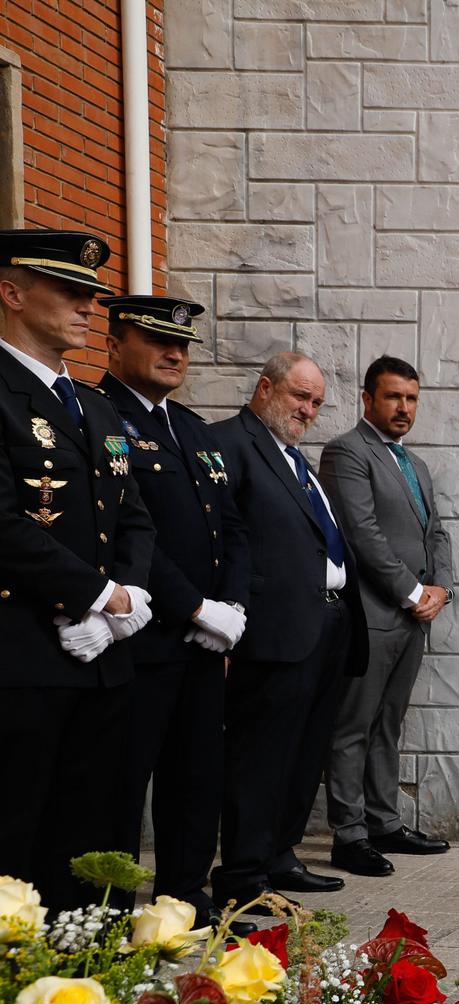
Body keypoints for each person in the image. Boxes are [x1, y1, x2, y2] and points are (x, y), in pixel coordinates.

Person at [0, 230, 155, 913]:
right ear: (11, 292)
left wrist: (127, 603)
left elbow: (135, 514)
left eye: (91, 293)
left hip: (105, 662)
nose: (89, 306)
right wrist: (96, 594)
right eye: (69, 291)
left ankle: (87, 989)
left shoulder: (96, 406)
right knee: (17, 843)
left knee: (93, 842)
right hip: (24, 656)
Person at [99, 294, 247, 923]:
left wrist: (232, 608)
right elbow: (131, 532)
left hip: (204, 645)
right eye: (157, 340)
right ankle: (104, 906)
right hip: (141, 640)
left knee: (195, 778)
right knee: (121, 786)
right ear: (113, 344)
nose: (174, 353)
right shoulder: (96, 414)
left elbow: (233, 527)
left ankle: (183, 894)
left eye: (182, 344)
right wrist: (193, 608)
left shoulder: (190, 428)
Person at [207, 351, 367, 905]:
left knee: (304, 752)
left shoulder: (298, 461)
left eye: (317, 403)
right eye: (301, 396)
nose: (308, 410)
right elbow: (222, 541)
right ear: (265, 387)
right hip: (270, 631)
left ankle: (279, 855)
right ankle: (243, 877)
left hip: (325, 626)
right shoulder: (227, 443)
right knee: (260, 756)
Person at [318, 355, 453, 877]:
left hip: (414, 616)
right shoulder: (347, 452)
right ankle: (348, 835)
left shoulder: (414, 464)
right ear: (368, 399)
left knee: (389, 725)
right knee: (353, 725)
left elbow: (435, 531)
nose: (403, 408)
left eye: (412, 398)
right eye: (394, 397)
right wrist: (411, 591)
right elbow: (361, 532)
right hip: (373, 614)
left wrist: (440, 588)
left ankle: (384, 823)